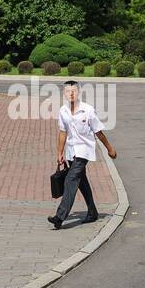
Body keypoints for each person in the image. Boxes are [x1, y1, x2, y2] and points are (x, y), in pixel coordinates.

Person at [49, 81, 116, 229]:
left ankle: (60, 217)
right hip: (71, 152)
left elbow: (98, 131)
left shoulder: (88, 110)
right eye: (68, 91)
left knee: (70, 179)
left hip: (84, 151)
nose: (71, 93)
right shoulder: (63, 111)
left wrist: (110, 148)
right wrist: (60, 152)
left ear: (78, 92)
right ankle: (92, 212)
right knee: (81, 182)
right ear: (64, 93)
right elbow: (62, 132)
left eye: (73, 90)